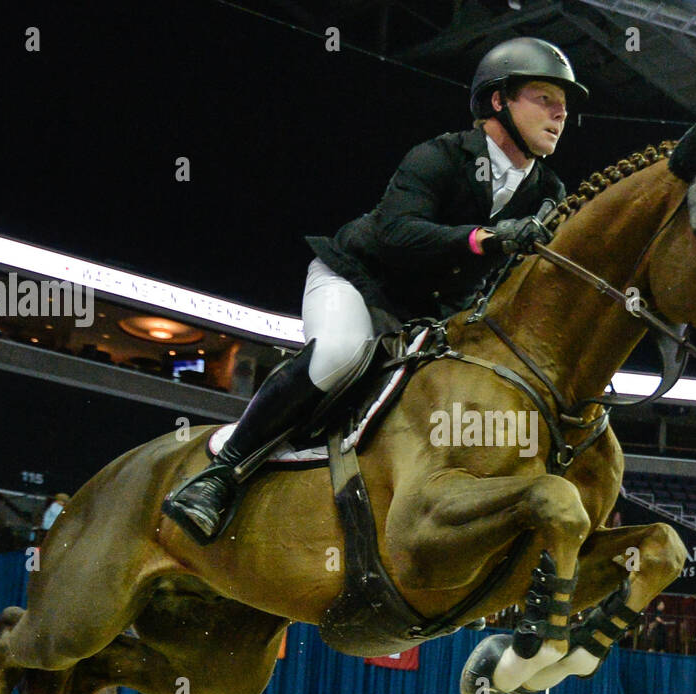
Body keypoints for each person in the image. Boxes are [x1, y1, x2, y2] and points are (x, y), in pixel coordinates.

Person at [163, 38, 588, 544]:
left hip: (432, 312)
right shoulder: (440, 155)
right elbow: (397, 233)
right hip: (357, 278)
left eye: (563, 104)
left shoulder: (550, 192)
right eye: (545, 98)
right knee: (341, 355)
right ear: (498, 100)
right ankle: (221, 473)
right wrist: (487, 238)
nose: (561, 113)